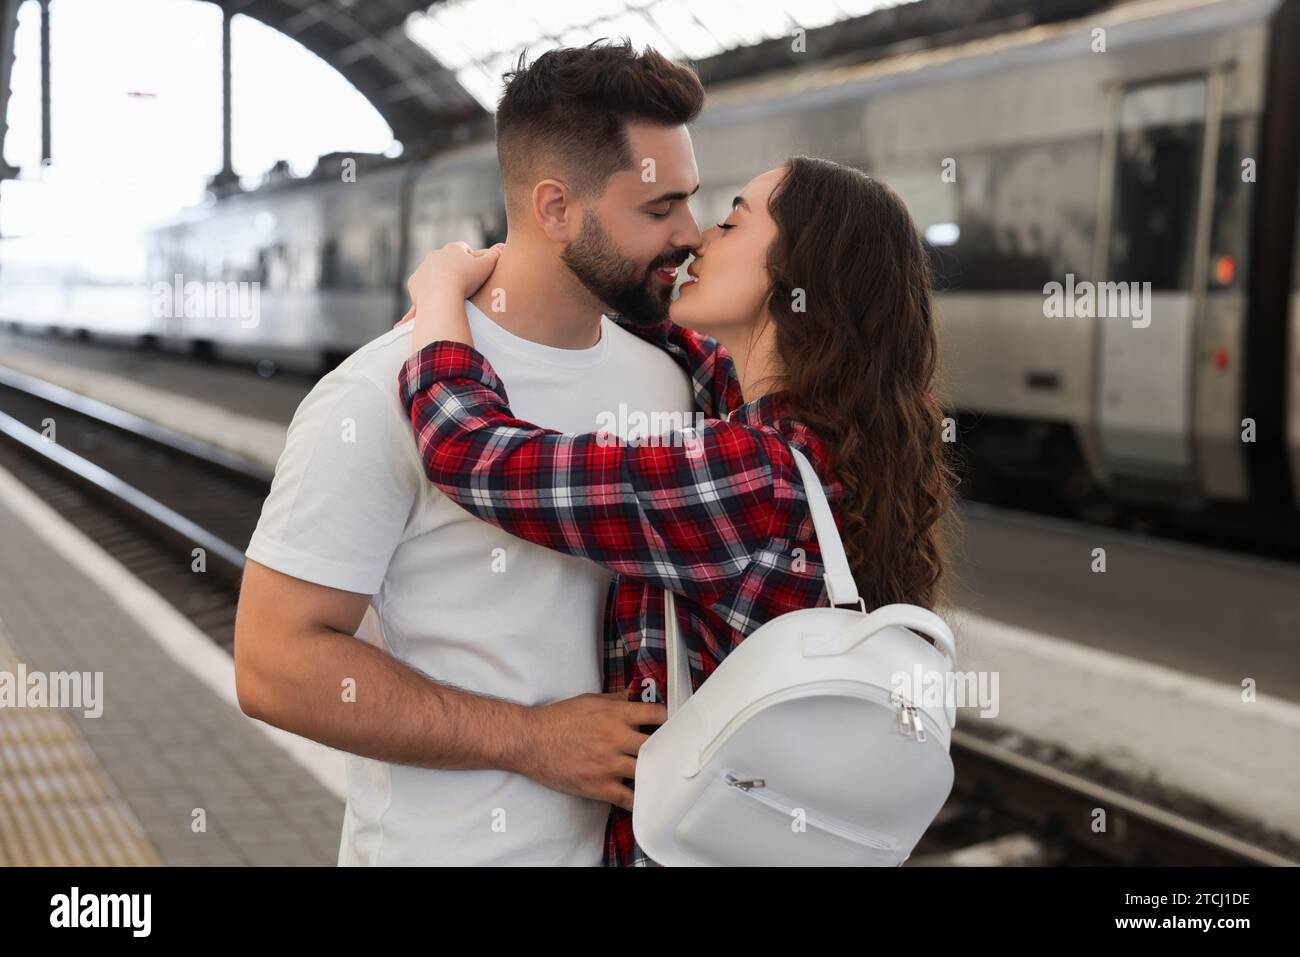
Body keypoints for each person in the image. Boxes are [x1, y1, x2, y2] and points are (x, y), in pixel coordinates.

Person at [233, 41, 724, 865]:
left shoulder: (672, 379)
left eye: (691, 201)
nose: (690, 232)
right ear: (555, 208)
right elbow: (273, 663)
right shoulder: (380, 391)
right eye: (658, 209)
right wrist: (528, 738)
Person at [396, 155, 959, 866]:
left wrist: (440, 290)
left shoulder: (750, 476)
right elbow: (701, 356)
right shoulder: (825, 444)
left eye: (731, 222)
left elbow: (471, 451)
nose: (700, 241)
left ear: (794, 276)